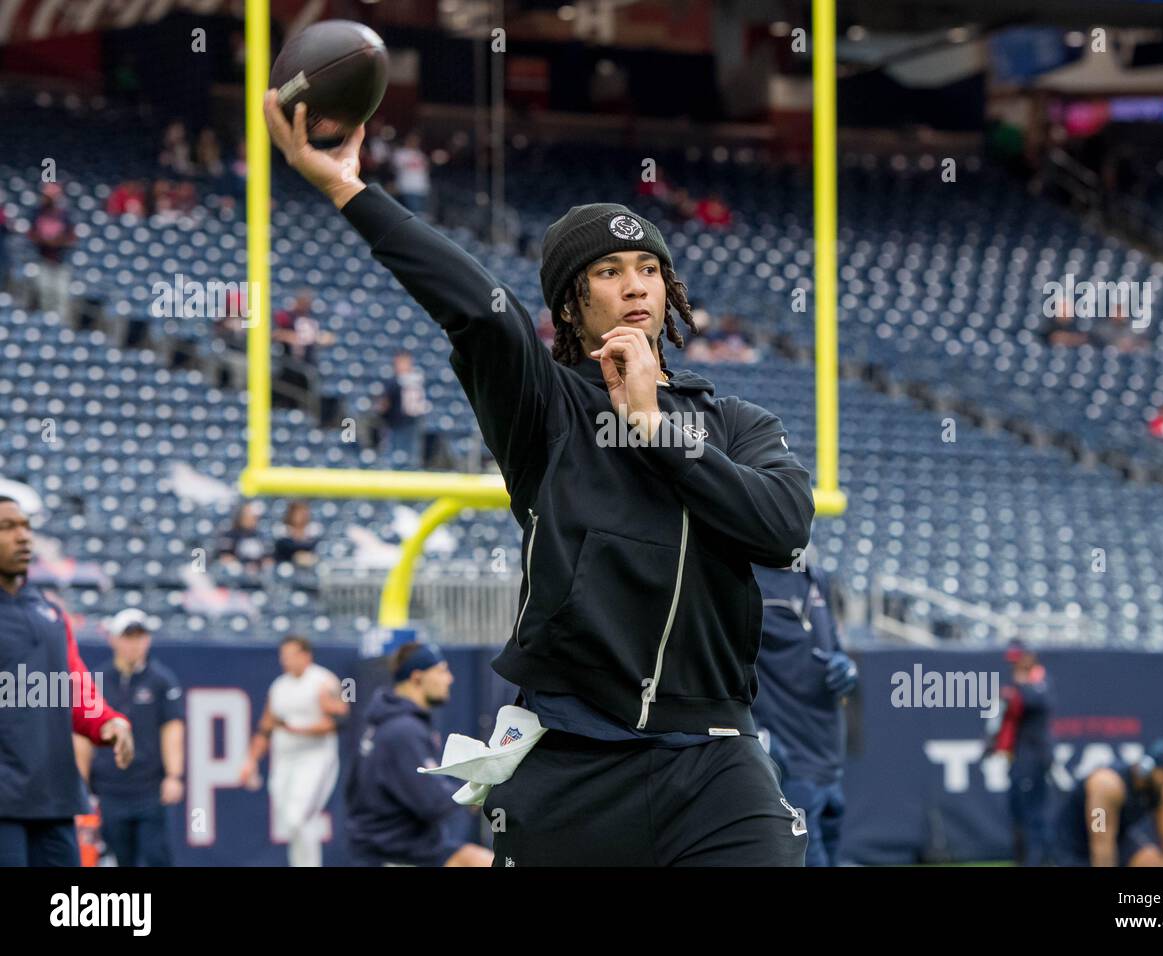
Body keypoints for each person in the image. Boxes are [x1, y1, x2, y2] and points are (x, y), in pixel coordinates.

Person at [264, 92, 815, 866]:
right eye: (608, 271)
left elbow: (782, 527)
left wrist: (655, 427)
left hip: (715, 758)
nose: (636, 286)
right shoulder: (545, 408)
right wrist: (351, 188)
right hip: (573, 761)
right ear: (571, 303)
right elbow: (479, 312)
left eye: (649, 269)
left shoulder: (736, 423)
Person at [0, 496, 135, 866]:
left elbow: (72, 684)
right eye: (7, 527)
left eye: (26, 526)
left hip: (53, 797)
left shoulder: (50, 612)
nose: (23, 536)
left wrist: (106, 721)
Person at [345, 642, 492, 866]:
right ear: (417, 677)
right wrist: (477, 792)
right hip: (394, 852)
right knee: (484, 862)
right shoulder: (403, 730)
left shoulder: (385, 722)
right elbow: (432, 803)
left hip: (391, 844)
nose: (449, 679)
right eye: (442, 671)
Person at [750, 561, 857, 867]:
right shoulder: (746, 576)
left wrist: (846, 667)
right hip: (789, 764)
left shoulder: (813, 574)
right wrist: (756, 732)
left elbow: (835, 647)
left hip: (828, 760)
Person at [238, 636, 349, 867]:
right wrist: (251, 760)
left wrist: (301, 729)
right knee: (289, 822)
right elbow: (266, 727)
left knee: (299, 816)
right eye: (284, 655)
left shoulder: (323, 681)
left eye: (292, 655)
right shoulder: (279, 686)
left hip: (315, 758)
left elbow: (340, 719)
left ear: (306, 655)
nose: (286, 660)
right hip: (285, 760)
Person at [86, 609, 184, 867]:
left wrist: (174, 775)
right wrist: (82, 783)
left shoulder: (161, 681)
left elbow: (172, 729)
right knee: (118, 858)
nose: (134, 644)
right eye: (128, 637)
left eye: (140, 637)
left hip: (149, 787)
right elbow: (83, 735)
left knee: (157, 856)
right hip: (109, 788)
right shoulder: (96, 681)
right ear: (113, 639)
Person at [1053, 740, 1163, 867]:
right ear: (1145, 769)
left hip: (1117, 839)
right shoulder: (1106, 785)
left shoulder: (1162, 788)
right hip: (1073, 845)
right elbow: (1100, 838)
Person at [989, 641, 1053, 866]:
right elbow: (1003, 719)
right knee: (1018, 813)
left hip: (1034, 758)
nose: (1014, 666)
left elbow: (1036, 701)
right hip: (1018, 758)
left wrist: (1019, 684)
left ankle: (1037, 860)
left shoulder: (1038, 680)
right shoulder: (1017, 685)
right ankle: (1023, 859)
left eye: (1018, 660)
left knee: (1033, 814)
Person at [377, 350, 430, 467]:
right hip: (395, 423)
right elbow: (384, 404)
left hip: (412, 422)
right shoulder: (393, 381)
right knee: (394, 454)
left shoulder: (416, 379)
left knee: (411, 456)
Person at [29, 186, 75, 317]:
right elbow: (32, 235)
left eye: (51, 197)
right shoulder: (37, 213)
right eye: (46, 196)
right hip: (43, 258)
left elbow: (72, 237)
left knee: (61, 294)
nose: (48, 199)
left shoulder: (64, 214)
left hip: (61, 261)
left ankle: (60, 324)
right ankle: (47, 321)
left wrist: (58, 241)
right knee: (45, 293)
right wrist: (45, 240)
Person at [216, 501, 273, 576]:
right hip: (237, 573)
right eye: (248, 516)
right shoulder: (230, 535)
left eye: (254, 517)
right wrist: (243, 567)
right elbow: (225, 558)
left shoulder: (260, 536)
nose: (252, 519)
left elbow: (268, 558)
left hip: (259, 573)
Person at [273, 500, 319, 568]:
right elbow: (286, 548)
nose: (302, 516)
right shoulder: (282, 529)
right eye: (298, 513)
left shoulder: (313, 529)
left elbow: (314, 547)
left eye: (303, 513)